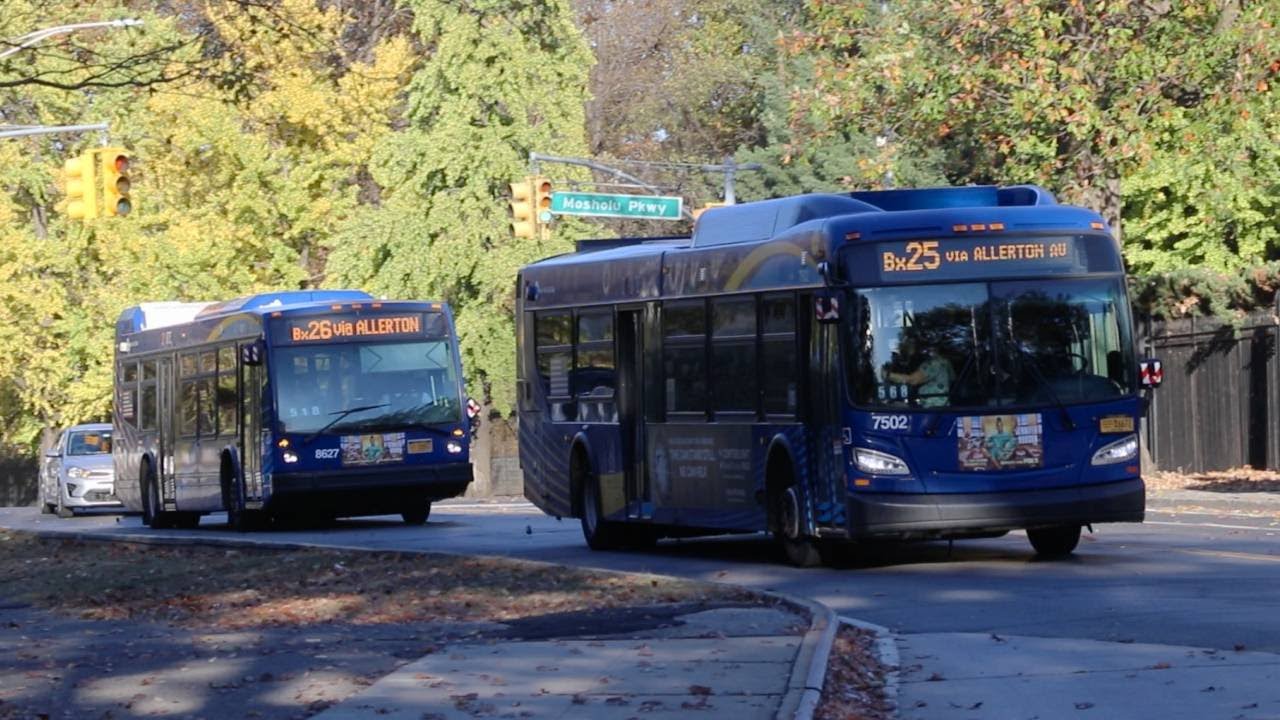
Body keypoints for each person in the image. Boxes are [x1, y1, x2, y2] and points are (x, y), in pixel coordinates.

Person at [885, 337, 955, 407]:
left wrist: (886, 375)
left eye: (910, 344)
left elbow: (912, 380)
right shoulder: (946, 362)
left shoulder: (934, 363)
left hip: (933, 406)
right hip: (942, 405)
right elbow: (952, 379)